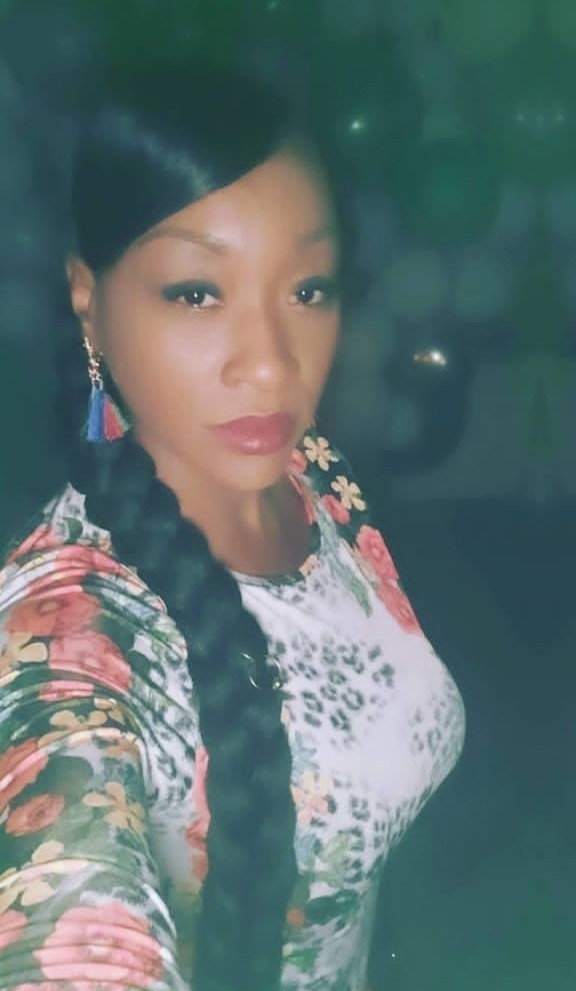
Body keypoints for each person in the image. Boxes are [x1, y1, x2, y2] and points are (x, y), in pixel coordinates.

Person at [0, 58, 465, 991]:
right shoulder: (67, 640)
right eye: (196, 292)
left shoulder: (308, 469)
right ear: (89, 298)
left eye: (309, 288)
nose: (270, 365)